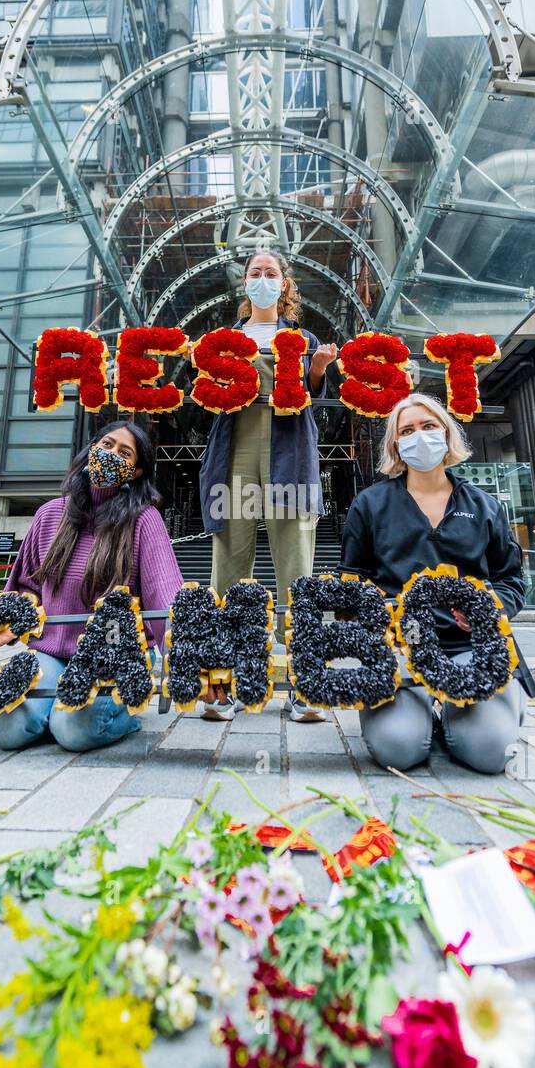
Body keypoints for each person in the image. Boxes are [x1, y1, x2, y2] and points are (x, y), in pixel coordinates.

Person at [339, 392, 535, 775]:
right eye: (407, 430)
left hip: (473, 648)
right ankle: (419, 715)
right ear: (396, 445)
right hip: (399, 650)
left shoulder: (484, 506)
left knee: (491, 752)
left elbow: (511, 579)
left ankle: (481, 710)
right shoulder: (369, 504)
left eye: (428, 426)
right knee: (399, 749)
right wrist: (374, 618)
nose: (419, 436)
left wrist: (491, 605)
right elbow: (352, 583)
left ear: (447, 434)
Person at [198, 248, 339, 723]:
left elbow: (314, 393)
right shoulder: (224, 339)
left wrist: (318, 368)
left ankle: (305, 687)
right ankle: (222, 686)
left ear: (285, 283)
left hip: (288, 448)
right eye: (254, 272)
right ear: (245, 283)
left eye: (270, 272)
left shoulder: (302, 337)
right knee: (228, 566)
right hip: (235, 445)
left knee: (296, 564)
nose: (262, 278)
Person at [0, 421, 183, 753]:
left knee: (74, 730)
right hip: (51, 651)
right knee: (7, 728)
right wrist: (12, 621)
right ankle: (51, 712)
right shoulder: (49, 515)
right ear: (91, 450)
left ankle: (125, 714)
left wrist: (184, 660)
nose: (110, 455)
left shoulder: (144, 520)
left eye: (124, 452)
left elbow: (165, 595)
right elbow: (27, 586)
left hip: (115, 655)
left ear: (135, 472)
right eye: (105, 445)